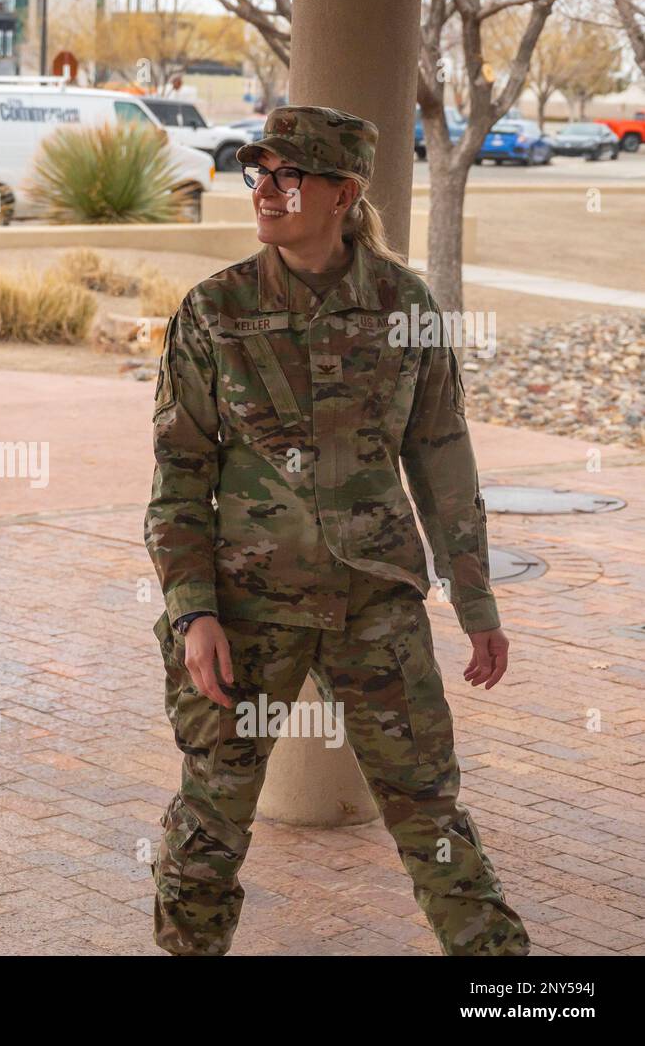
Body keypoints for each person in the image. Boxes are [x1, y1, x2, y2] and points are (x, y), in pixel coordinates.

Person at [144, 105, 529, 956]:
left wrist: (476, 603)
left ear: (342, 193)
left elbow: (442, 463)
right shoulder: (216, 311)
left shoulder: (406, 308)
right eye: (261, 174)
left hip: (374, 605)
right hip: (245, 611)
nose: (267, 192)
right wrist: (191, 610)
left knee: (429, 812)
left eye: (289, 176)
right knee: (211, 823)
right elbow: (179, 476)